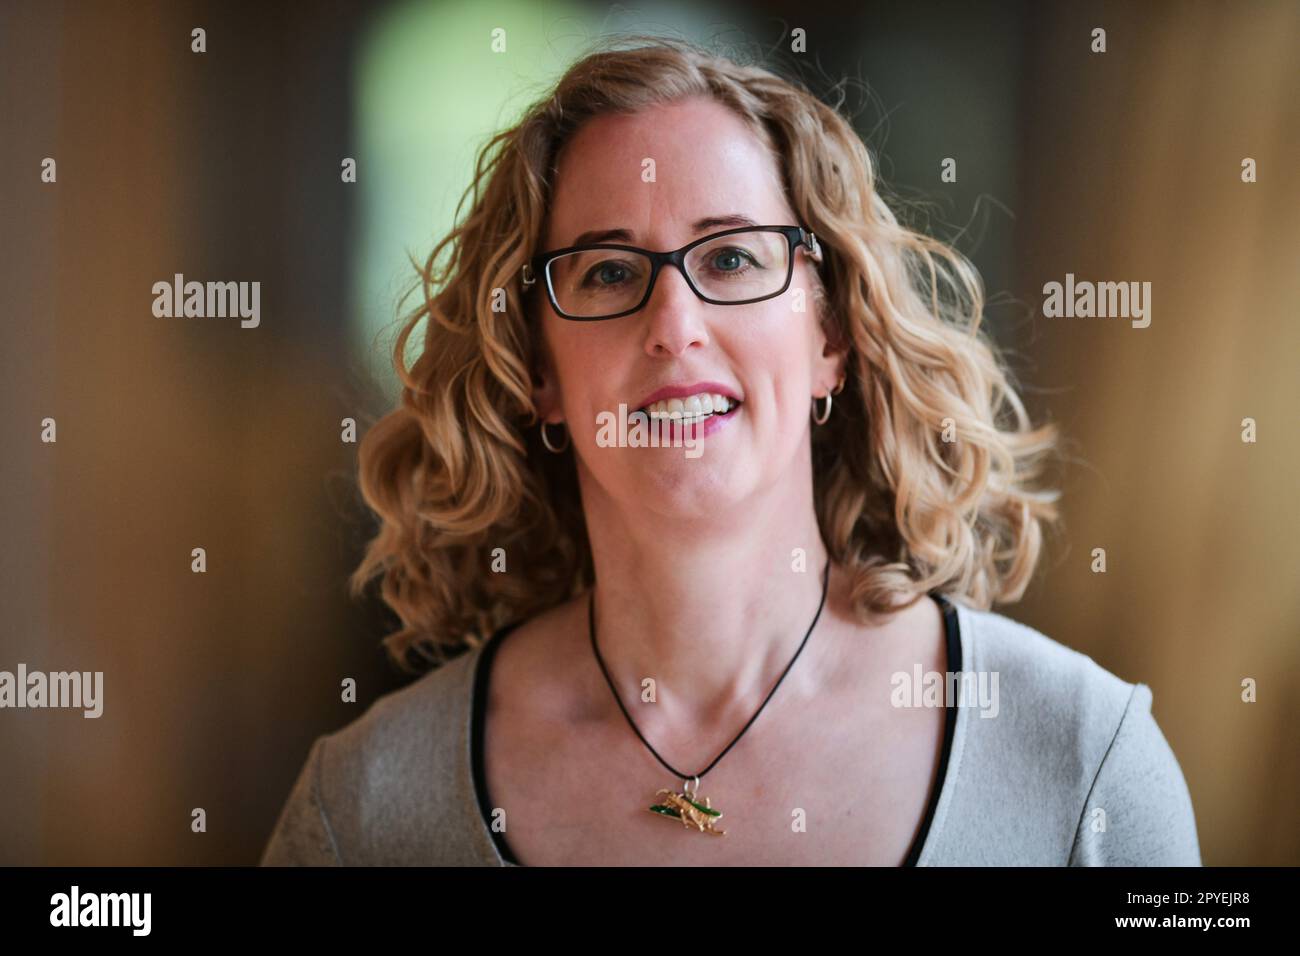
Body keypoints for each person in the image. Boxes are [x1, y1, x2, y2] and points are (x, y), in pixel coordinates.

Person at [260, 36, 1200, 866]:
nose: (675, 326)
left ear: (831, 335)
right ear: (537, 369)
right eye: (610, 270)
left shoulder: (1083, 763)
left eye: (733, 258)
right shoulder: (367, 808)